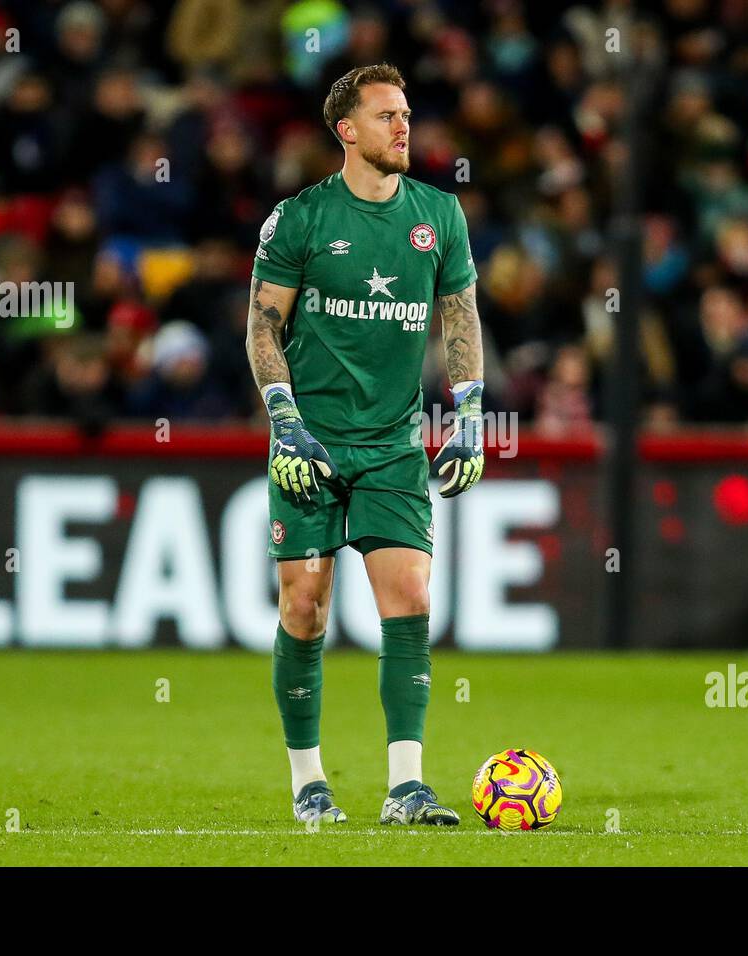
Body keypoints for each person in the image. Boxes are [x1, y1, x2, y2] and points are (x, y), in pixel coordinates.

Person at [245, 63, 483, 826]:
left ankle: (406, 787)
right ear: (346, 130)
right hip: (309, 445)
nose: (404, 126)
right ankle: (309, 784)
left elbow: (461, 317)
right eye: (387, 116)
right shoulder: (301, 220)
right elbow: (261, 325)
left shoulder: (440, 214)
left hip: (390, 446)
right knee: (305, 607)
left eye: (407, 113)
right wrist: (283, 418)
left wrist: (470, 411)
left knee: (409, 599)